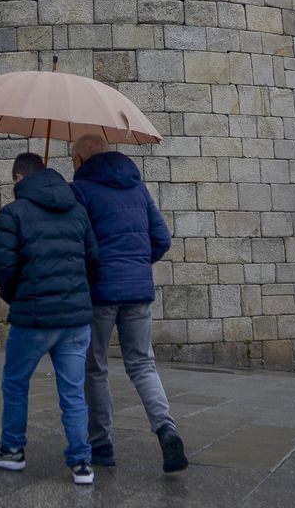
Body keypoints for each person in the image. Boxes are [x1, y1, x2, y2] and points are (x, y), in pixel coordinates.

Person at [0, 152, 100, 485]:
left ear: (19, 178)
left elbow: (3, 266)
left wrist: (16, 295)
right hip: (75, 319)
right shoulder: (77, 211)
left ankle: (13, 449)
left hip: (32, 319)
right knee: (72, 391)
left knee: (16, 384)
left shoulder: (13, 213)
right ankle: (81, 463)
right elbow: (93, 258)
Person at [70, 133, 187, 473]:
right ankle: (166, 429)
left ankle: (101, 444)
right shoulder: (138, 188)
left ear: (79, 161)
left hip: (100, 293)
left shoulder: (82, 190)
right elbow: (161, 238)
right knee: (142, 364)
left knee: (95, 367)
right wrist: (137, 263)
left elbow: (79, 242)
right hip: (138, 291)